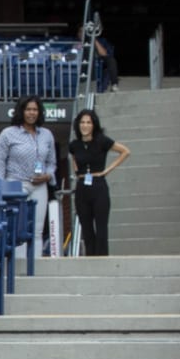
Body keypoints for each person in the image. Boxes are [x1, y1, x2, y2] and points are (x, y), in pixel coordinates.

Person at [0, 96, 58, 258]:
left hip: (39, 186)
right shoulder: (8, 134)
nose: (31, 113)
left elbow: (52, 162)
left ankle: (34, 264)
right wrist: (1, 187)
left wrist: (47, 176)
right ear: (21, 111)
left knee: (37, 229)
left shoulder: (47, 135)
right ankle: (17, 264)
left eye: (35, 110)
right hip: (15, 184)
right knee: (16, 227)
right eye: (28, 109)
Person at [65, 107, 129, 256]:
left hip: (98, 185)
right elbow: (74, 158)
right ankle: (90, 260)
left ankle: (102, 261)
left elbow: (125, 151)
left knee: (101, 228)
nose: (85, 125)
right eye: (82, 122)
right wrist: (78, 172)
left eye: (88, 122)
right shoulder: (74, 145)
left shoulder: (101, 141)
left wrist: (107, 170)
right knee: (86, 228)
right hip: (82, 187)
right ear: (78, 124)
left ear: (94, 125)